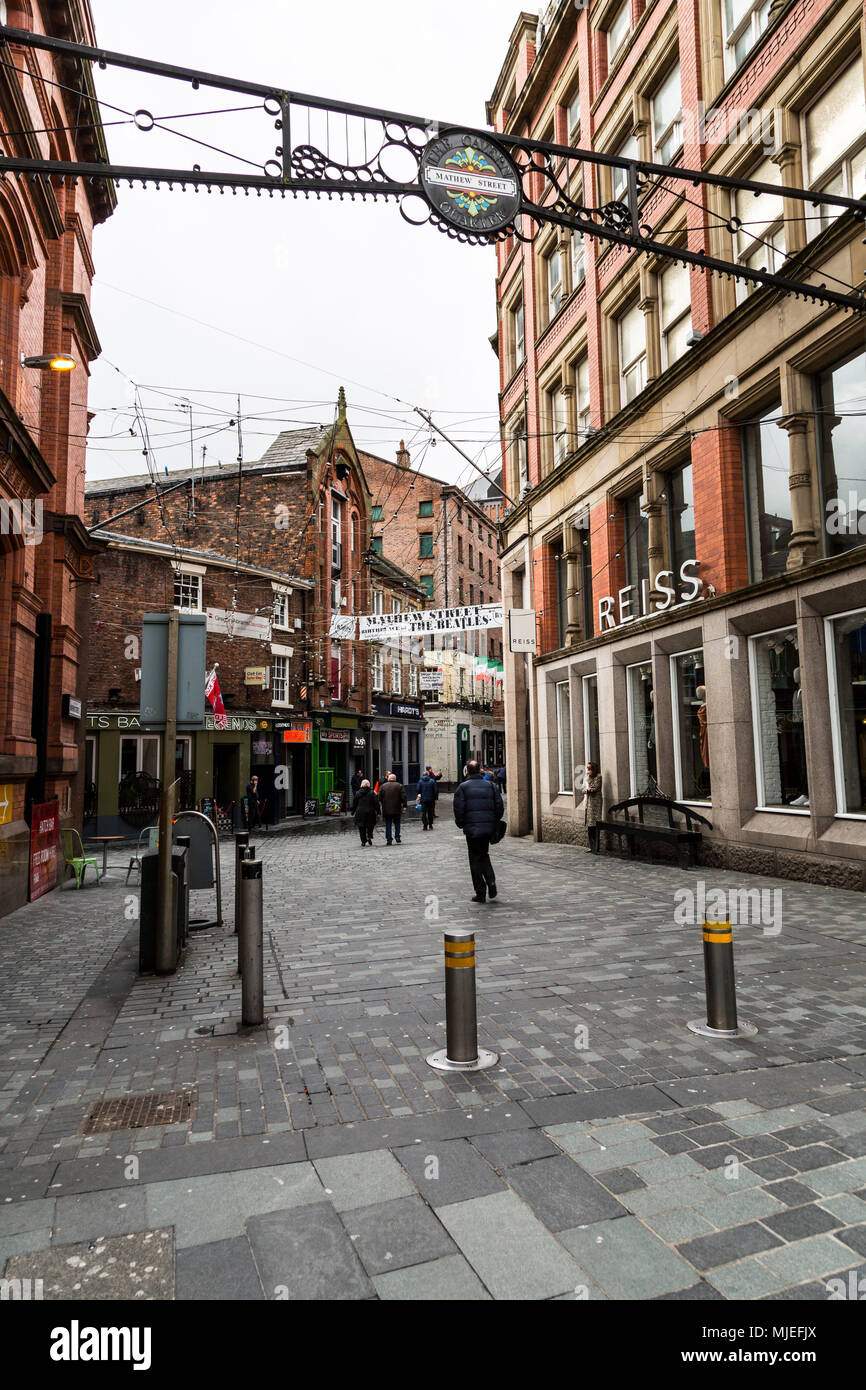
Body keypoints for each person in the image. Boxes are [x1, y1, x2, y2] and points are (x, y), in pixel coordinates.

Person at [453, 759, 504, 903]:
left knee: (475, 859)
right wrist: (493, 821)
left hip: (472, 829)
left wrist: (461, 824)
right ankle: (491, 881)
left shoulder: (462, 787)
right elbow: (499, 806)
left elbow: (458, 809)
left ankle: (480, 891)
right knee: (484, 854)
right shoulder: (491, 785)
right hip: (488, 828)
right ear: (480, 770)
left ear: (467, 771)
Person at [379, 772, 407, 845]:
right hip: (397, 808)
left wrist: (383, 803)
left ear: (388, 779)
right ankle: (397, 836)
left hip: (386, 809)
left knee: (388, 824)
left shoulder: (383, 786)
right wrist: (404, 806)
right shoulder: (399, 786)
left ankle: (389, 839)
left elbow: (379, 798)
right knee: (397, 823)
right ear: (395, 779)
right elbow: (404, 797)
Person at [351, 778, 379, 847]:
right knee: (370, 825)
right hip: (370, 811)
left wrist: (353, 811)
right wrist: (378, 811)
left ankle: (363, 841)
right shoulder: (372, 793)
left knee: (361, 827)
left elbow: (355, 803)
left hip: (360, 812)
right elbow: (376, 803)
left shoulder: (358, 793)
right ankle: (369, 836)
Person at [583, 761, 603, 853]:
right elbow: (583, 789)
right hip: (589, 803)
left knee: (595, 824)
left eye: (590, 769)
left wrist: (589, 788)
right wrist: (587, 789)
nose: (588, 771)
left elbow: (595, 788)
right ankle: (591, 846)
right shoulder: (587, 778)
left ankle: (596, 846)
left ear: (594, 769)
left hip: (596, 804)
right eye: (587, 769)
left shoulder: (598, 777)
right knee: (590, 825)